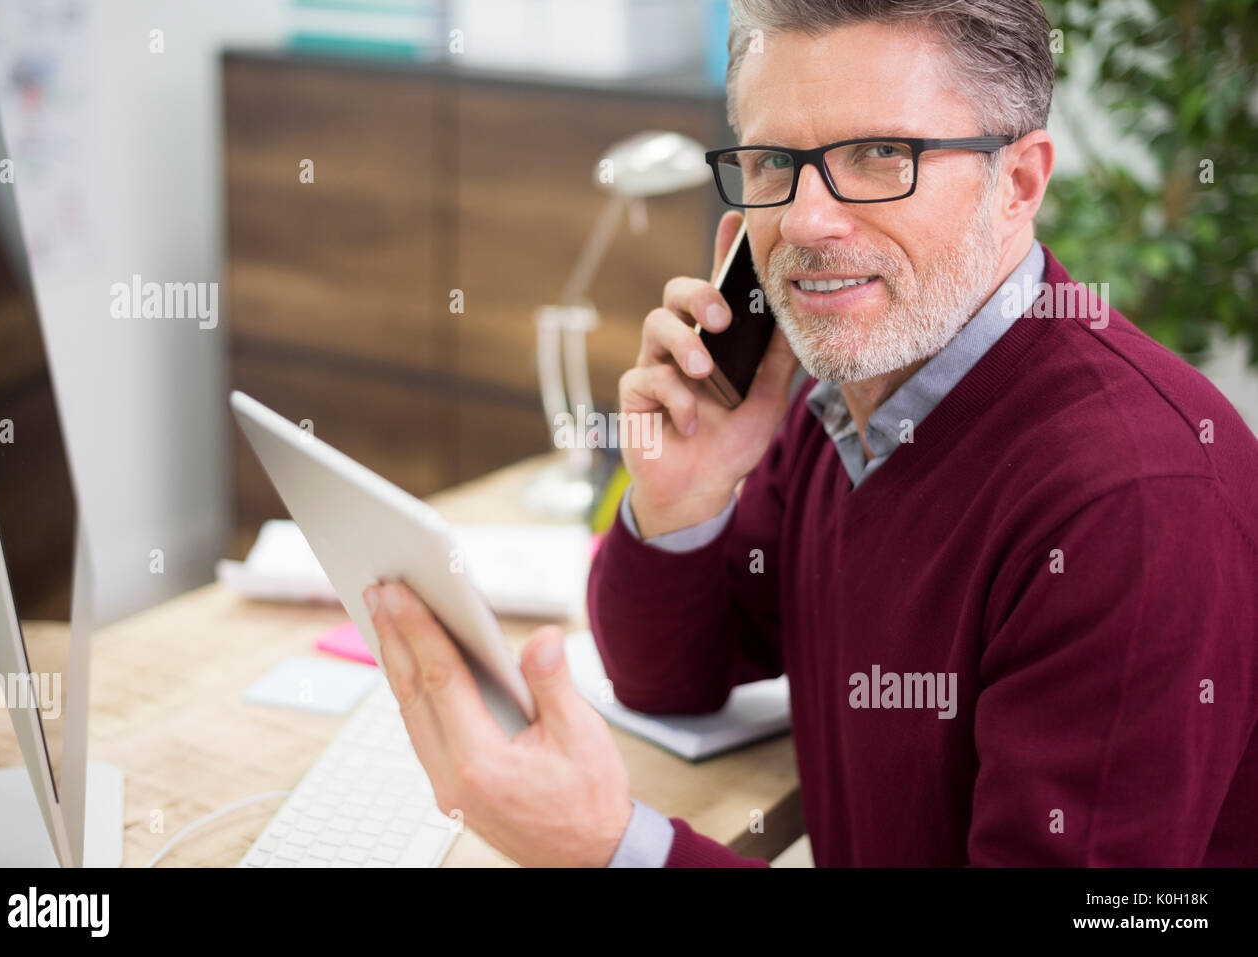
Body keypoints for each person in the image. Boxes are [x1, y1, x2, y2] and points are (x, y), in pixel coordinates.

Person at [362, 0, 1258, 866]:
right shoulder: (837, 393)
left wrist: (617, 853)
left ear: (1017, 182)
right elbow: (672, 676)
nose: (803, 220)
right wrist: (682, 496)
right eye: (771, 163)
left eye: (877, 154)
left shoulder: (1136, 505)